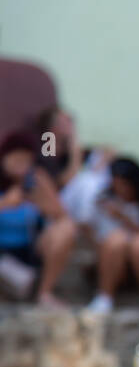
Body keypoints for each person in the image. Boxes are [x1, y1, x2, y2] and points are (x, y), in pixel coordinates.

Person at [86, 157, 139, 316]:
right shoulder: (105, 201)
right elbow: (101, 240)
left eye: (124, 185)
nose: (120, 189)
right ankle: (104, 297)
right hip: (116, 262)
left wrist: (124, 219)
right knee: (116, 240)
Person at [0, 130, 77, 309]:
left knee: (66, 228)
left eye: (25, 159)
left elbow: (61, 216)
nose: (21, 164)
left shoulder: (37, 179)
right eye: (16, 158)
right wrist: (5, 204)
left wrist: (39, 202)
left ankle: (45, 293)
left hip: (29, 252)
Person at [32, 105, 115, 227]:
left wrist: (101, 161)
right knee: (88, 181)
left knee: (99, 170)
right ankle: (86, 223)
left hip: (84, 204)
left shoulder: (73, 151)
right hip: (59, 210)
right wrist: (75, 154)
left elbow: (109, 152)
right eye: (68, 120)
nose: (73, 125)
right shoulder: (46, 155)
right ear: (53, 128)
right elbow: (62, 184)